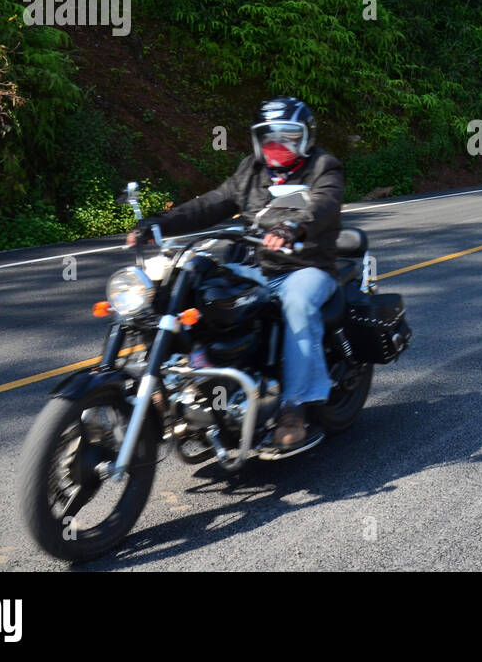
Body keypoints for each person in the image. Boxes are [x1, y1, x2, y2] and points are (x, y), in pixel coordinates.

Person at [127, 96, 344, 453]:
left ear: (305, 137)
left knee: (297, 304)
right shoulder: (250, 172)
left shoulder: (324, 167)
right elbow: (211, 202)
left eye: (288, 135)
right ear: (258, 139)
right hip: (252, 266)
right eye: (269, 136)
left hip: (305, 265)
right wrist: (159, 223)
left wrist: (293, 227)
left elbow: (323, 204)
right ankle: (177, 386)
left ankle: (295, 408)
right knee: (188, 282)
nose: (278, 144)